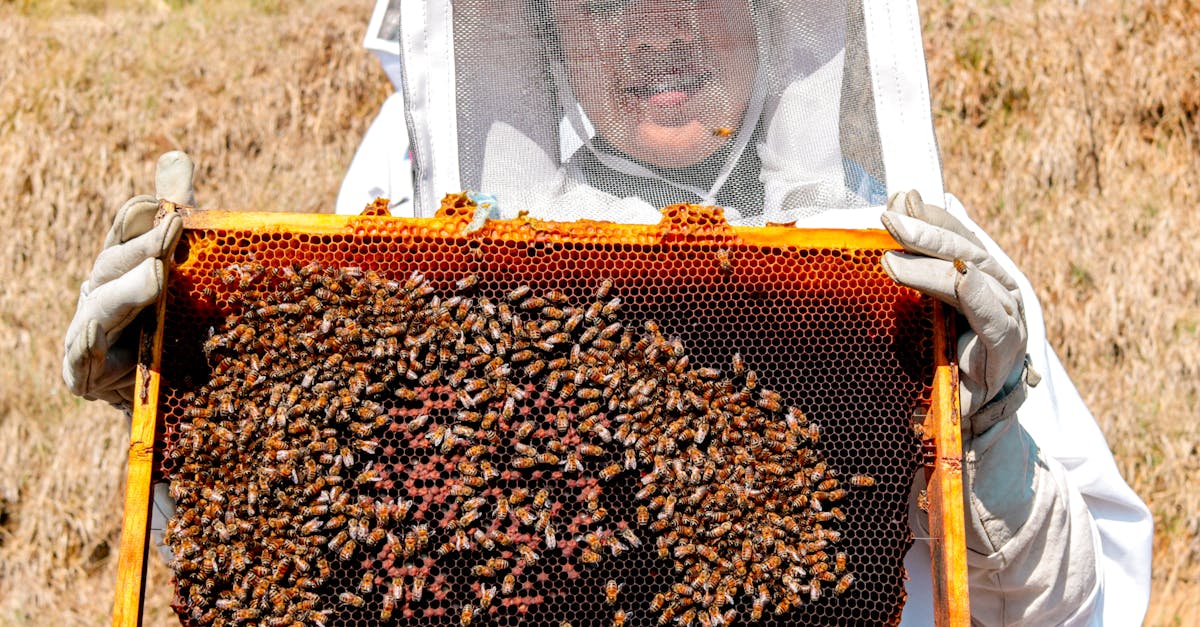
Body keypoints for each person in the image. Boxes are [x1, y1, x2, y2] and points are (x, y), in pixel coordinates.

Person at [64, 0, 1152, 624]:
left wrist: (994, 436)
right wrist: (185, 421)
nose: (656, 29)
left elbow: (1078, 614)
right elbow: (311, 570)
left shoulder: (926, 262)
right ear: (539, 34)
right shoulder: (406, 240)